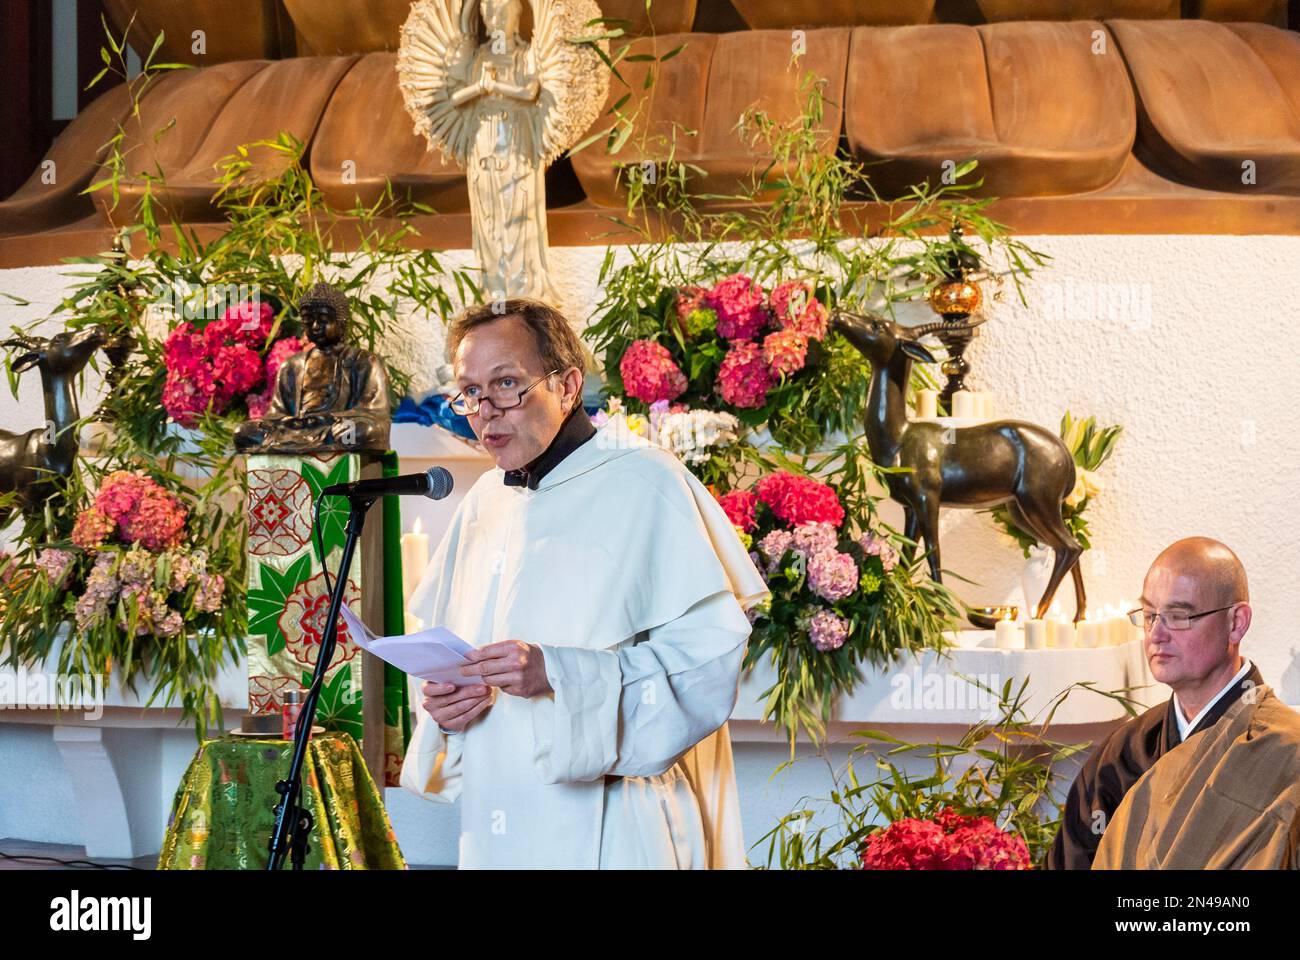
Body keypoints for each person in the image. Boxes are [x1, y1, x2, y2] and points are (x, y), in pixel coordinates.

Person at [399, 298, 769, 869]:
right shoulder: (485, 502)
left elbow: (705, 671)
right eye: (470, 392)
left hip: (617, 817)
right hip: (501, 815)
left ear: (568, 385)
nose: (485, 412)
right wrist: (448, 704)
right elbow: (451, 655)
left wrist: (558, 673)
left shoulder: (646, 481)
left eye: (506, 385)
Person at [1045, 537, 1267, 869]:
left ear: (1236, 623)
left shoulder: (1282, 752)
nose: (1155, 634)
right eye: (1149, 614)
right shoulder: (1123, 753)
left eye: (1178, 616)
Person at [234, 282, 390, 454]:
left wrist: (335, 421)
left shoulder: (363, 361)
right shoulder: (292, 366)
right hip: (297, 430)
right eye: (308, 321)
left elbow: (375, 414)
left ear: (341, 321)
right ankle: (302, 444)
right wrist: (288, 422)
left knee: (361, 432)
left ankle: (307, 443)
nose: (315, 326)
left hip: (334, 430)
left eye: (323, 320)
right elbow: (276, 414)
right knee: (243, 433)